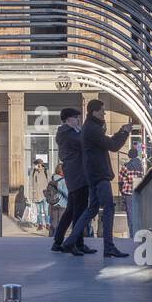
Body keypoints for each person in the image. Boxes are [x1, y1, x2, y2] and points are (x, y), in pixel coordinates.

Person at [60, 99, 132, 258]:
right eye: (102, 111)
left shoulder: (90, 128)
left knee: (92, 209)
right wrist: (125, 132)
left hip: (93, 174)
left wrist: (119, 132)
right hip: (99, 175)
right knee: (109, 207)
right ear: (94, 112)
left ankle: (69, 242)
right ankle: (108, 247)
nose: (104, 113)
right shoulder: (92, 129)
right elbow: (113, 146)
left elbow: (107, 142)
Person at [51, 108, 96, 255]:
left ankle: (58, 242)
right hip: (78, 176)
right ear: (69, 119)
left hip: (73, 174)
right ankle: (77, 243)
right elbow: (85, 143)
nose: (79, 121)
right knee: (80, 211)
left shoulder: (65, 133)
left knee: (71, 210)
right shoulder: (70, 134)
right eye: (77, 118)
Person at [118, 149, 143, 237]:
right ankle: (137, 234)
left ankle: (132, 235)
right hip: (138, 193)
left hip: (128, 194)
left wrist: (121, 191)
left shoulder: (126, 166)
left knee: (130, 215)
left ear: (130, 155)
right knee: (137, 215)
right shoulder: (141, 166)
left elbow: (120, 180)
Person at [30, 156, 51, 234]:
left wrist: (49, 192)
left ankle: (48, 224)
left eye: (36, 164)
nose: (35, 166)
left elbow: (50, 182)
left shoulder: (46, 171)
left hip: (44, 194)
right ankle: (40, 224)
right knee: (38, 211)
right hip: (36, 194)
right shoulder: (34, 172)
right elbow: (31, 184)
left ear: (40, 164)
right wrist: (31, 194)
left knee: (46, 210)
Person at [46, 162, 68, 235]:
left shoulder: (53, 178)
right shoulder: (64, 180)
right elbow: (66, 193)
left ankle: (51, 235)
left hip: (53, 203)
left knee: (53, 221)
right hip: (62, 204)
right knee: (61, 222)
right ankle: (58, 237)